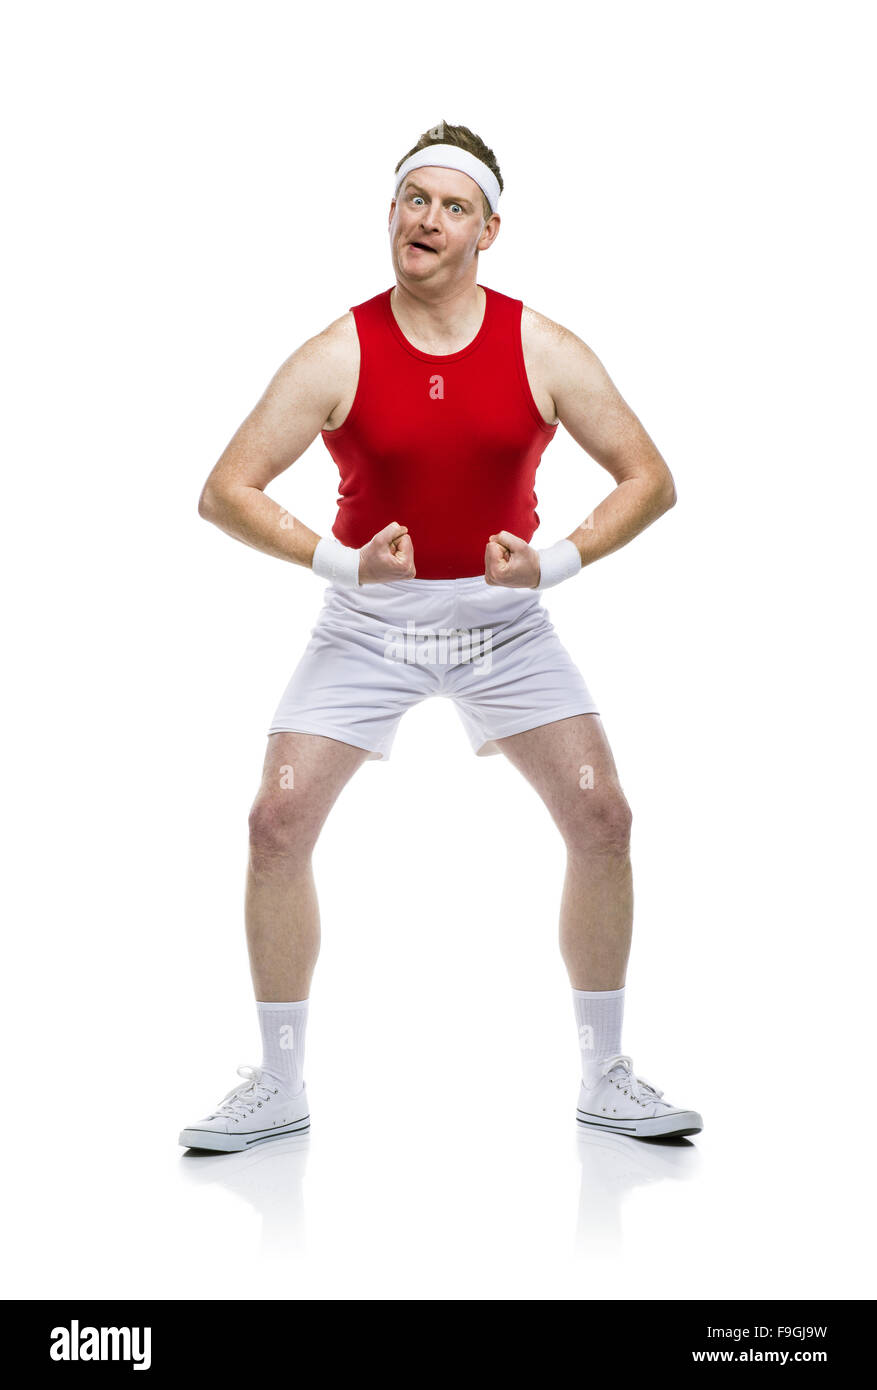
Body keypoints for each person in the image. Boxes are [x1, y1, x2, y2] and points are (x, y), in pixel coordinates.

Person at [178, 121, 703, 1152]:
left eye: (451, 205)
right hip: (370, 623)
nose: (426, 219)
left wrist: (551, 563)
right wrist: (344, 563)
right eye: (412, 199)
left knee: (603, 818)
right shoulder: (338, 350)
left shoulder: (540, 346)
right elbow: (223, 491)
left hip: (505, 625)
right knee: (273, 827)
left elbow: (651, 478)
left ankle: (606, 1072)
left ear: (489, 229)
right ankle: (279, 1086)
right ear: (391, 215)